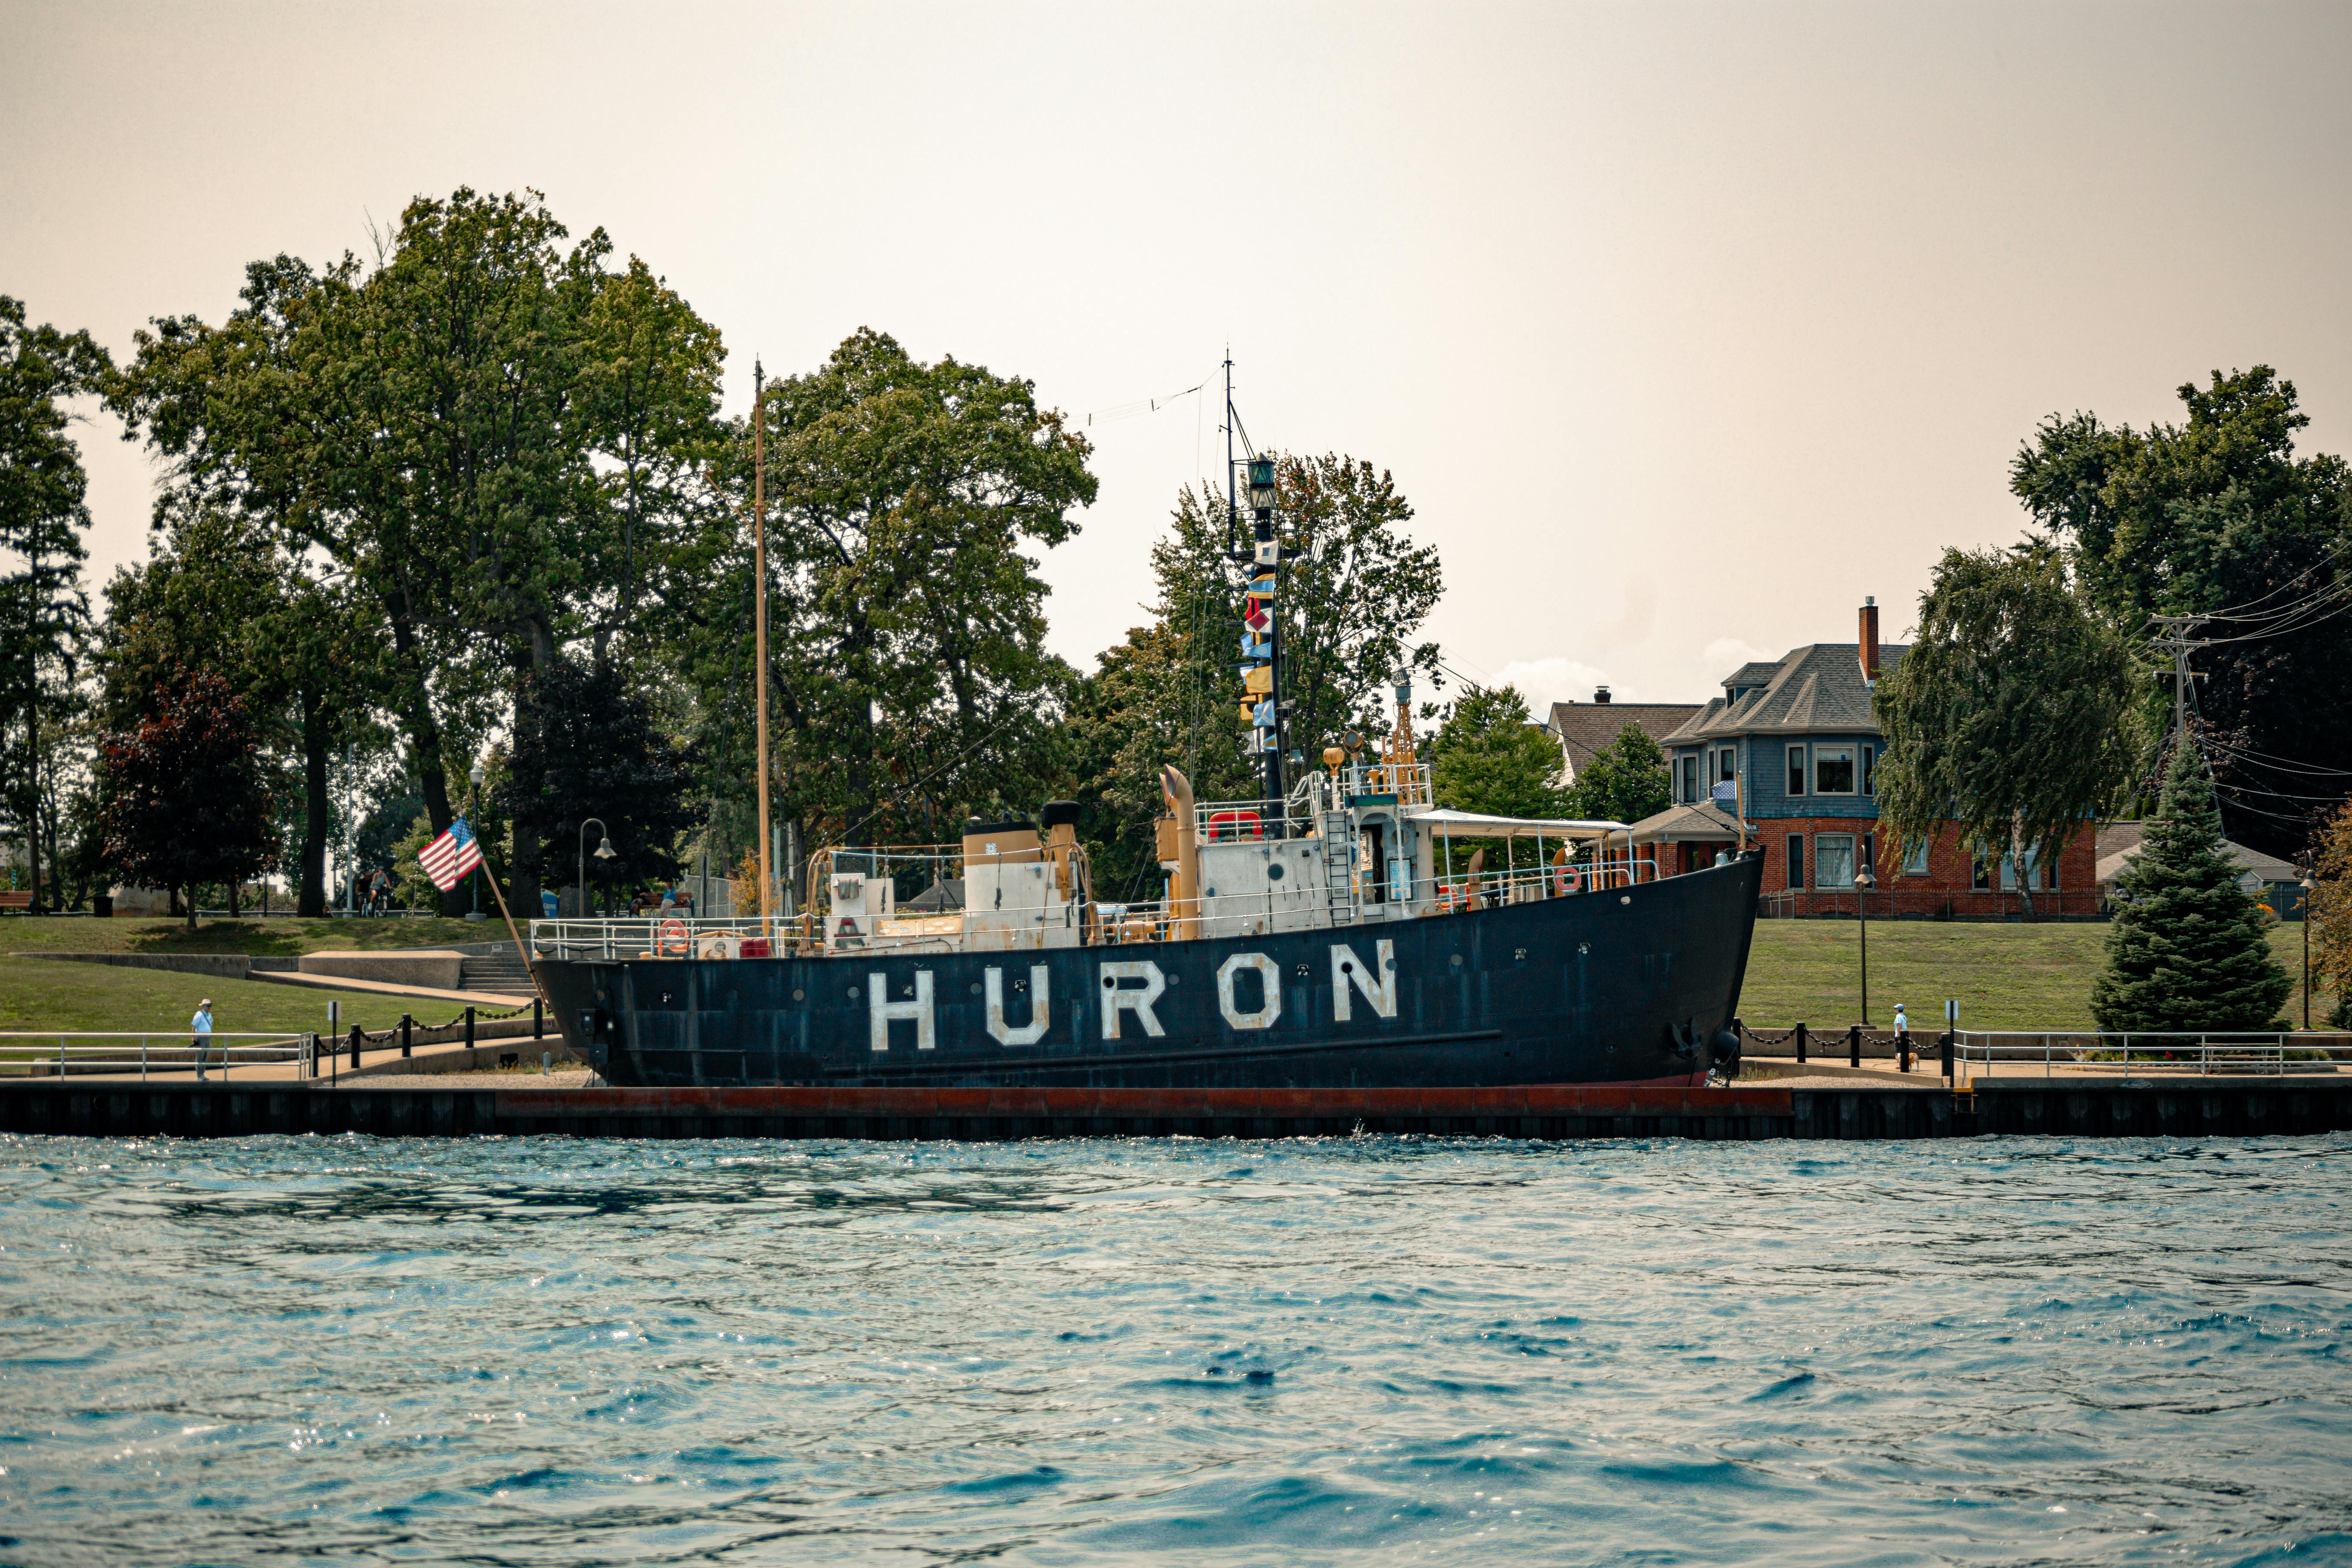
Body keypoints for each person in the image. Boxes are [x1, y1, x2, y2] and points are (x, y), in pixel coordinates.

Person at [191, 998, 214, 1081]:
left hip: (208, 1038)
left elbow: (211, 1025)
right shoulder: (199, 1015)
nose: (209, 1007)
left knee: (205, 1058)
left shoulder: (210, 1016)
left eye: (210, 1006)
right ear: (203, 1006)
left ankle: (203, 1074)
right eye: (208, 1006)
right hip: (200, 1038)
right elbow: (194, 1026)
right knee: (200, 1058)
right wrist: (193, 1038)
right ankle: (200, 1076)